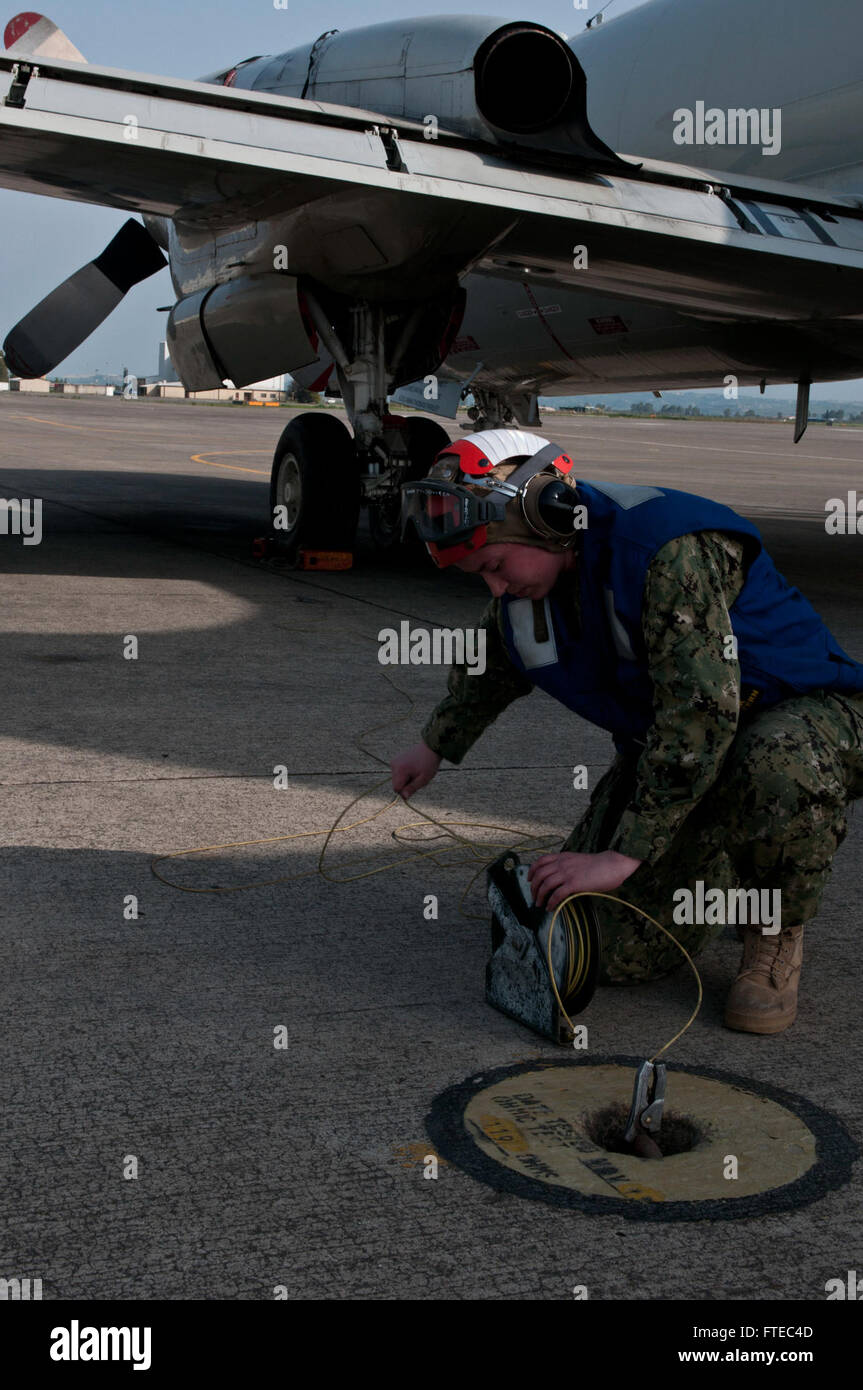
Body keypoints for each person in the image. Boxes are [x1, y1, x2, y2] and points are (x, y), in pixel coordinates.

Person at [390, 428, 863, 1034]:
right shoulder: (531, 586)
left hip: (810, 723)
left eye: (496, 566)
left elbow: (701, 714)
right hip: (687, 754)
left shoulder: (663, 552)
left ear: (546, 515)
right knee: (610, 950)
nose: (497, 587)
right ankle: (718, 850)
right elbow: (494, 661)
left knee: (776, 763)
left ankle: (774, 927)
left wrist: (624, 853)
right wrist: (434, 746)